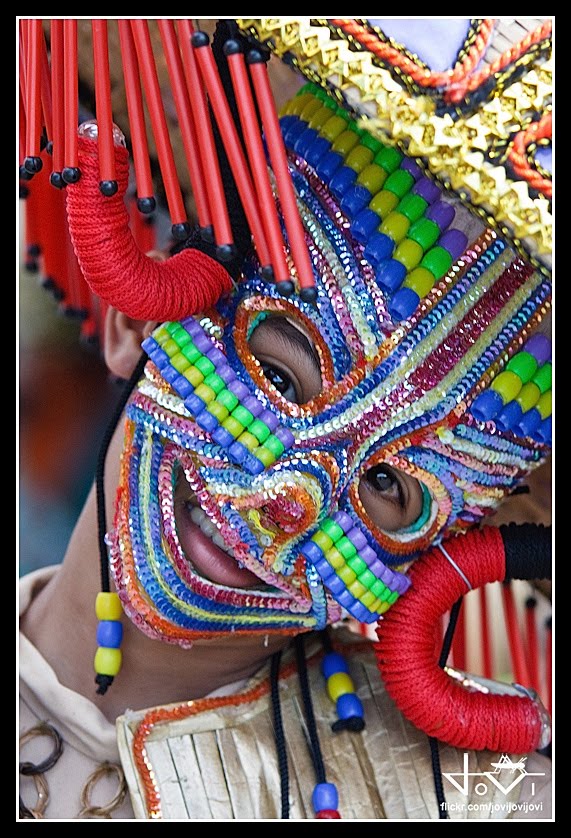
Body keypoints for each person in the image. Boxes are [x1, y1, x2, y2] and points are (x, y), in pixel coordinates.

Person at [18, 18, 552, 821]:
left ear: (456, 548)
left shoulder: (501, 801)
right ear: (138, 319)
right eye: (277, 372)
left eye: (390, 488)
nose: (287, 497)